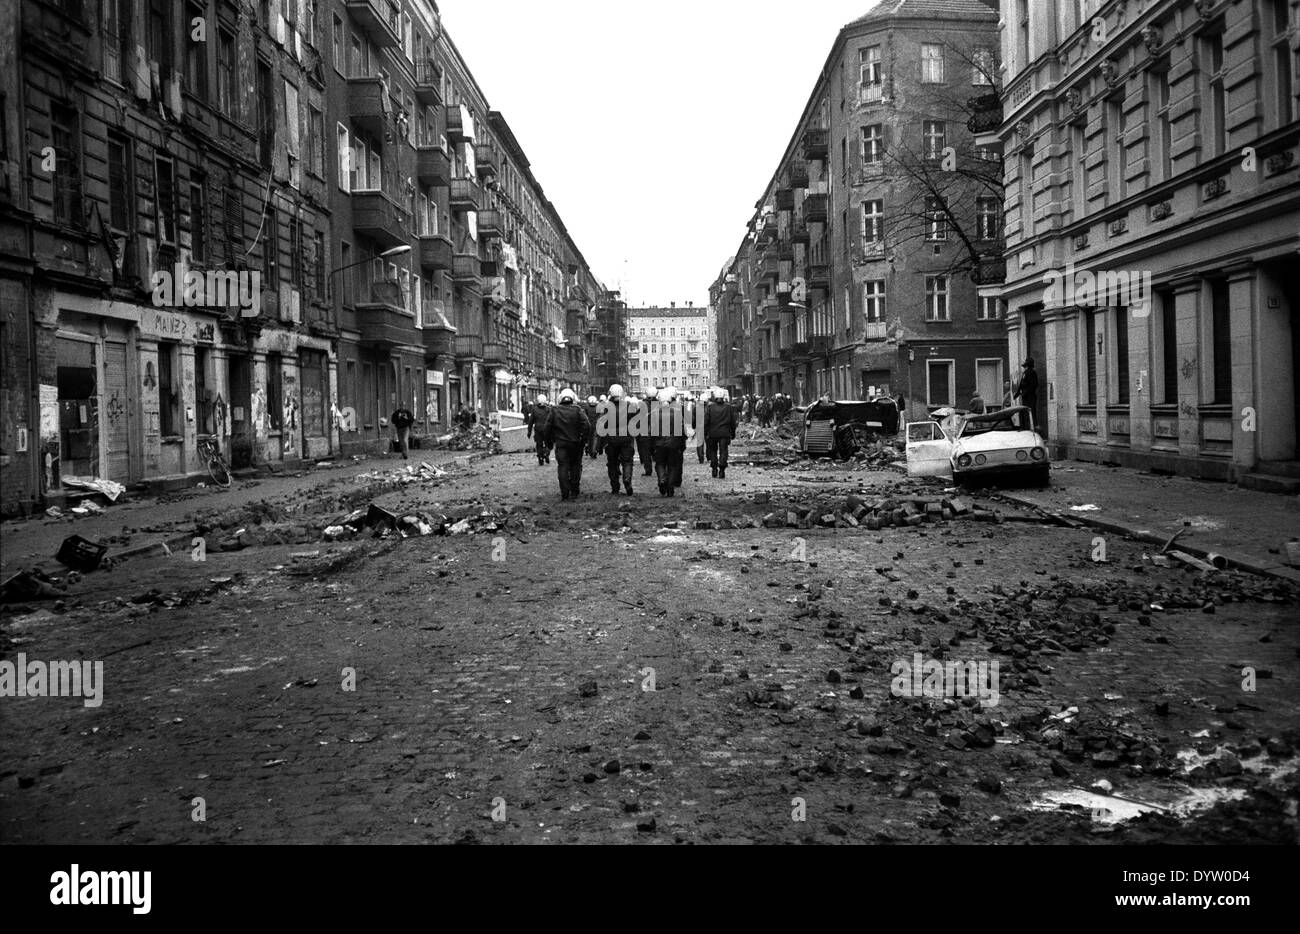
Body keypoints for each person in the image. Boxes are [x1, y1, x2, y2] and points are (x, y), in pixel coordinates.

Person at [541, 388, 591, 501]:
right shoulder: (578, 410)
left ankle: (564, 491)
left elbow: (547, 428)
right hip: (576, 444)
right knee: (575, 466)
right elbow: (587, 425)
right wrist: (583, 440)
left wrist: (549, 443)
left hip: (561, 444)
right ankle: (574, 490)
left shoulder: (554, 410)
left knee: (563, 466)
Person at [594, 384, 636, 495]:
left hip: (611, 440)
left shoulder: (606, 407)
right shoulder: (628, 406)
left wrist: (599, 444)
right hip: (626, 438)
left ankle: (615, 487)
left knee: (612, 463)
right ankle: (627, 479)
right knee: (627, 462)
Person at [651, 386, 688, 497]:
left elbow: (651, 431)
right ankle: (670, 485)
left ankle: (662, 479)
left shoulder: (655, 413)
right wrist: (682, 444)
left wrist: (652, 446)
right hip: (674, 443)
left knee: (660, 464)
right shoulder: (677, 412)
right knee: (672, 465)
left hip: (659, 444)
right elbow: (681, 431)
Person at [703, 386, 737, 479]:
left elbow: (706, 421)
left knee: (713, 451)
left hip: (712, 433)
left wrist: (705, 433)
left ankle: (714, 468)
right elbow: (732, 422)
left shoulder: (710, 407)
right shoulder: (728, 407)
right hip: (724, 433)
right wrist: (733, 432)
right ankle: (722, 469)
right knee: (723, 451)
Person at [636, 389, 657, 475]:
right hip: (657, 431)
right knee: (658, 451)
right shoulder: (660, 404)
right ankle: (660, 469)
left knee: (646, 452)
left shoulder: (642, 405)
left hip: (645, 431)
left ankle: (648, 470)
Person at [527, 394, 552, 465]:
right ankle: (546, 453)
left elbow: (531, 421)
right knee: (548, 443)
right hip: (547, 429)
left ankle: (540, 457)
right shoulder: (548, 409)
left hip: (538, 429)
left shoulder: (534, 410)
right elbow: (552, 420)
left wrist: (529, 432)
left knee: (539, 444)